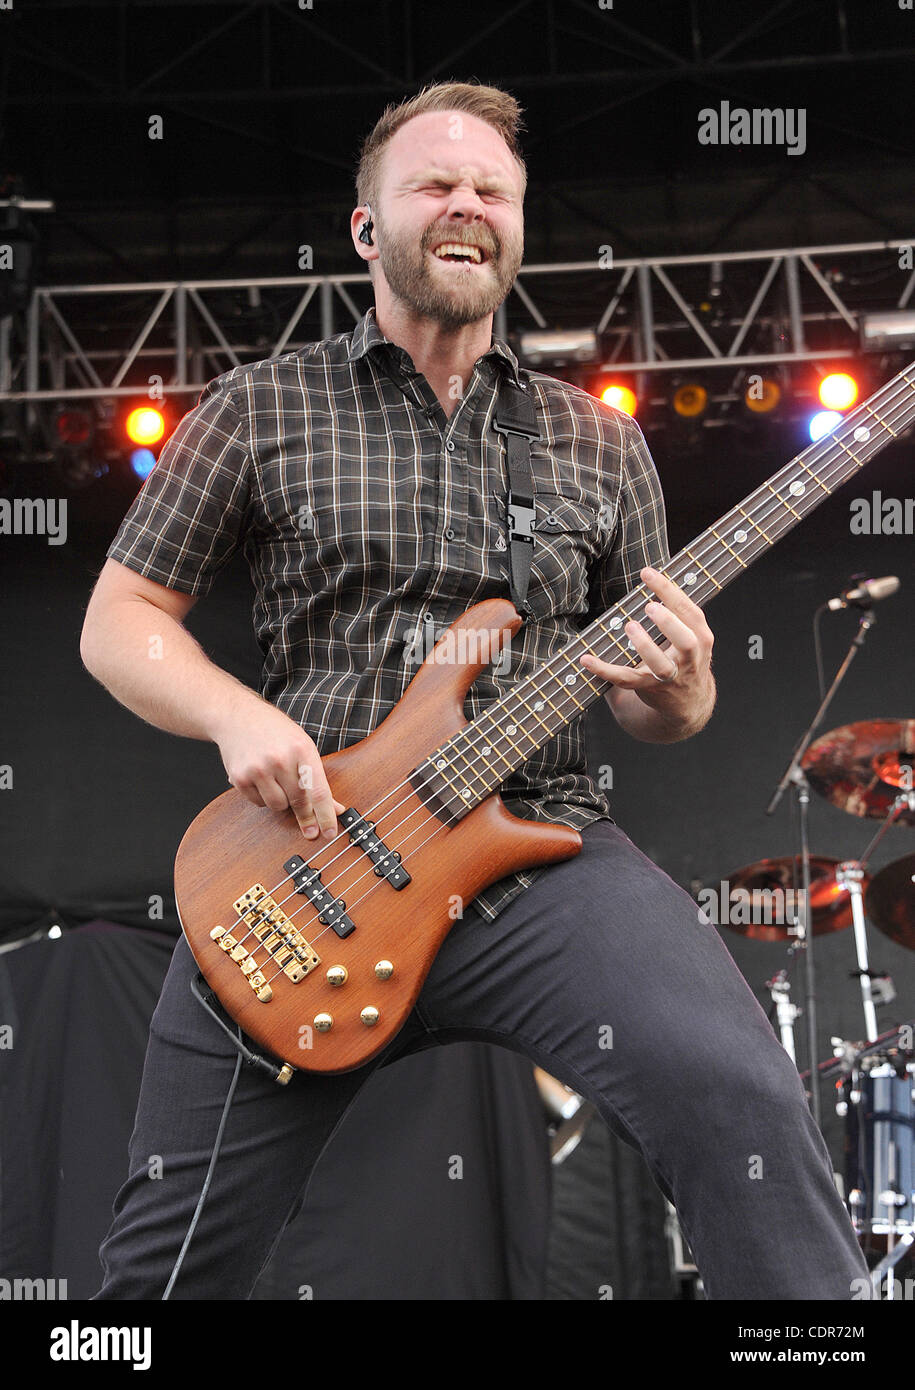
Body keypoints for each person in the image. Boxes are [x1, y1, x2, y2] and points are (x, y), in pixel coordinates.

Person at [81, 80, 868, 1299]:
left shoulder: (594, 440)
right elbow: (119, 621)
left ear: (515, 224)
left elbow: (656, 708)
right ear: (366, 227)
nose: (467, 206)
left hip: (542, 858)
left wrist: (687, 686)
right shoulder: (260, 407)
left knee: (740, 1096)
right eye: (435, 184)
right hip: (308, 869)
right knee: (154, 1279)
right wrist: (238, 713)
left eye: (492, 189)